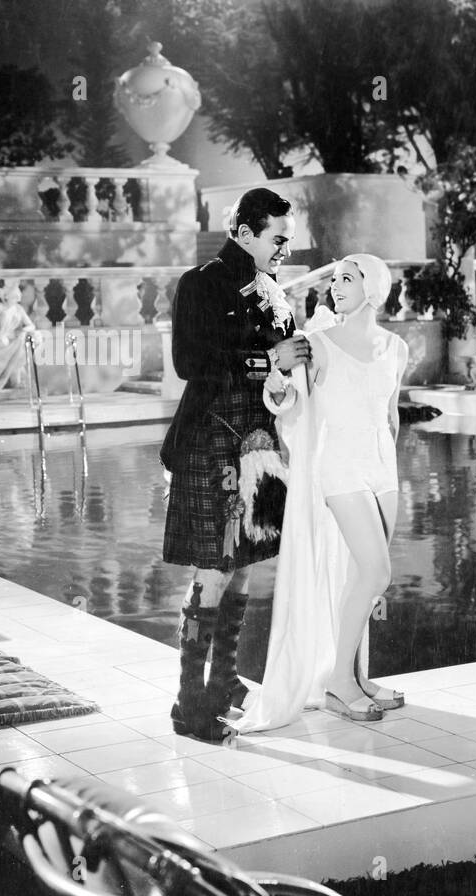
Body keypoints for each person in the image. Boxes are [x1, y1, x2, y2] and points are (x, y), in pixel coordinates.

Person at [228, 253, 409, 732]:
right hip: (340, 466)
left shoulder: (396, 348)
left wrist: (390, 465)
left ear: (374, 286)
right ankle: (337, 687)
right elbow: (288, 403)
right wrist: (277, 383)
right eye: (335, 279)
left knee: (362, 578)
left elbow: (391, 415)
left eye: (348, 278)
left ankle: (356, 675)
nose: (336, 285)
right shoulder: (316, 343)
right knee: (378, 571)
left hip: (382, 468)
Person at [160, 187, 312, 741]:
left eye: (287, 241)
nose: (284, 250)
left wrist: (292, 368)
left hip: (262, 442)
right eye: (277, 239)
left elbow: (285, 366)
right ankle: (188, 703)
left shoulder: (274, 292)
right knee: (217, 567)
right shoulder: (200, 283)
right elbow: (188, 362)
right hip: (213, 441)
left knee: (247, 563)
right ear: (244, 233)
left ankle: (223, 684)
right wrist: (267, 357)